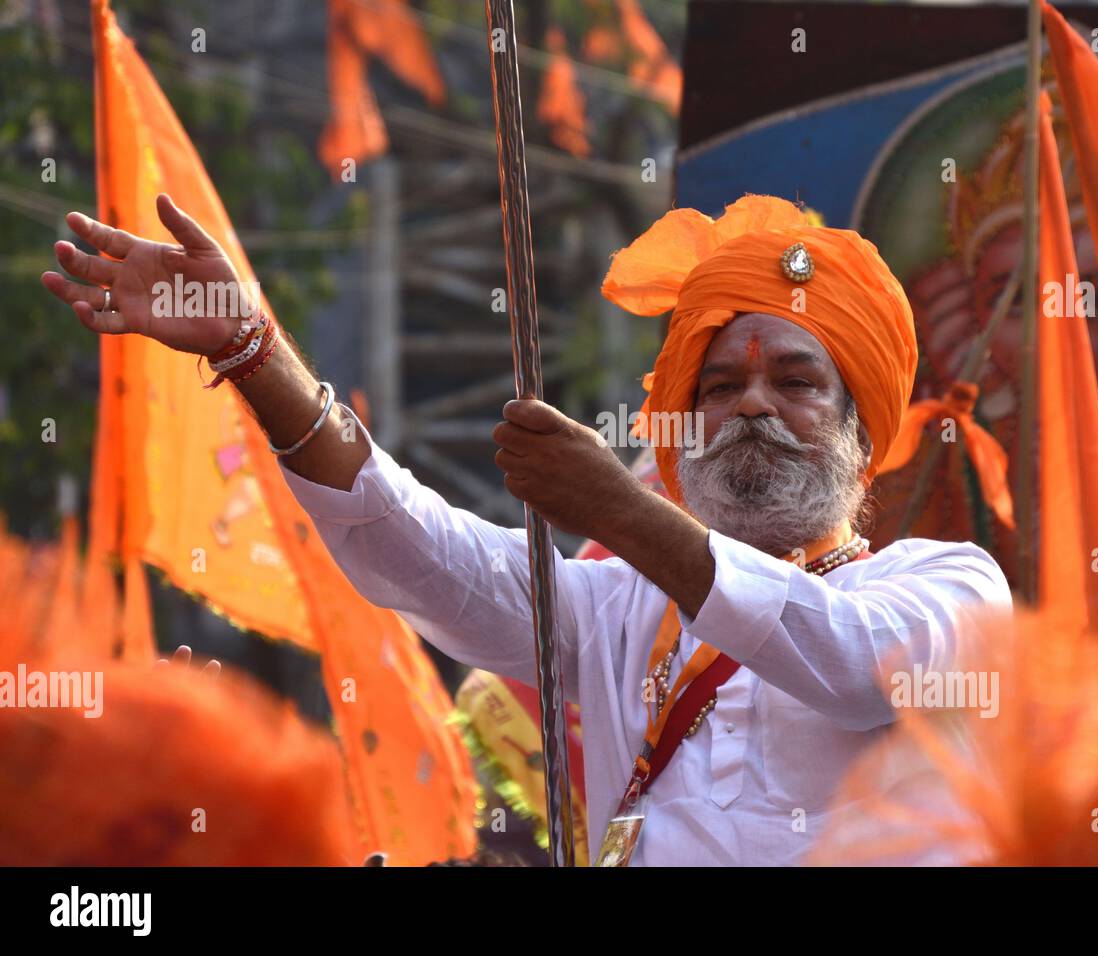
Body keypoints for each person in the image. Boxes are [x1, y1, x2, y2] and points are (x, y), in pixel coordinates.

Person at [42, 192, 1011, 866]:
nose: (751, 405)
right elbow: (417, 550)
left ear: (859, 425)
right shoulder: (624, 607)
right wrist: (254, 348)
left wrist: (616, 508)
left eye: (794, 381)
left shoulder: (952, 589)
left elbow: (843, 662)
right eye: (719, 386)